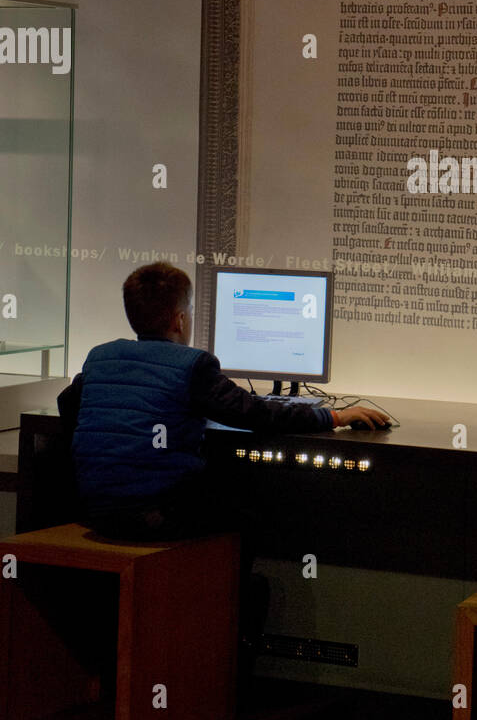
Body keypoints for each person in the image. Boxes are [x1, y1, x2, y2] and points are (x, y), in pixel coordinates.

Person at [56, 261, 388, 697]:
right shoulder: (192, 366)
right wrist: (335, 415)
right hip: (156, 516)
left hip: (97, 511)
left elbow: (68, 405)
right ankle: (225, 654)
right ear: (180, 319)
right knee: (252, 512)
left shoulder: (99, 358)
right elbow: (256, 414)